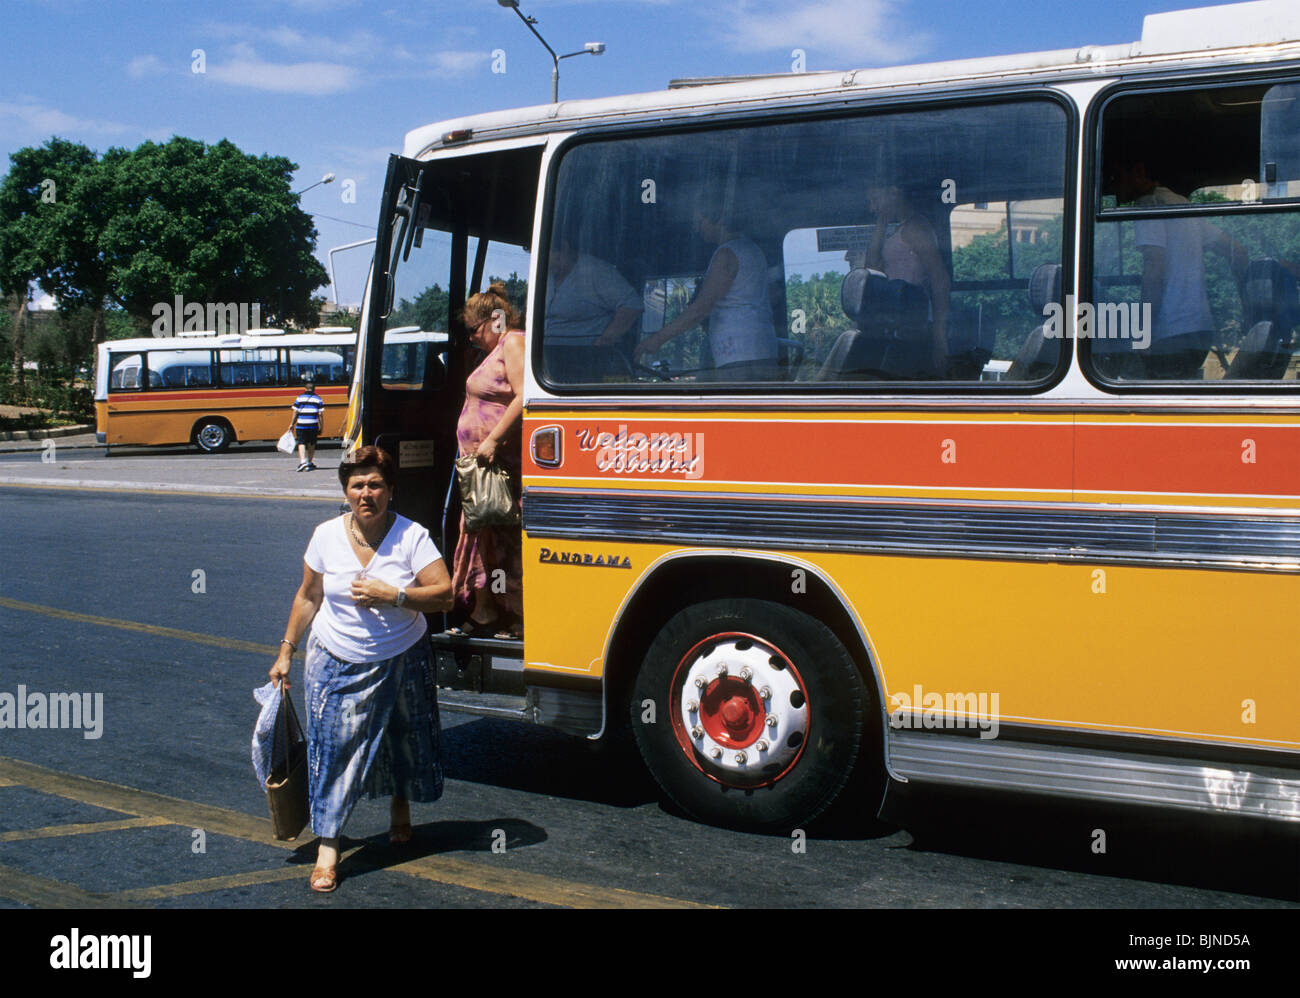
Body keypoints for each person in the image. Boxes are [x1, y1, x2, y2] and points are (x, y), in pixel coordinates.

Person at [269, 445, 453, 892]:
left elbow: (446, 594)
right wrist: (286, 650)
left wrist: (396, 595)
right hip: (336, 657)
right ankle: (329, 845)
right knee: (334, 749)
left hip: (403, 654)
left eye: (375, 484)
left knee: (403, 735)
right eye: (357, 485)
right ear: (346, 491)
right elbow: (308, 595)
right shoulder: (326, 535)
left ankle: (399, 807)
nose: (366, 493)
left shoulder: (412, 537)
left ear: (390, 490)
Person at [1109, 158, 1248, 379]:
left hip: (1171, 333)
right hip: (1201, 330)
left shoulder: (1149, 204)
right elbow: (1237, 251)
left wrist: (1142, 332)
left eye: (1117, 178)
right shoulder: (1183, 204)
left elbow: (1154, 267)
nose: (1115, 186)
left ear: (1139, 170)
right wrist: (1245, 305)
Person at [633, 191, 779, 381]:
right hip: (764, 349)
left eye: (700, 222)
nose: (696, 228)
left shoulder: (726, 254)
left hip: (738, 356)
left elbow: (700, 310)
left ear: (718, 218)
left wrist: (657, 339)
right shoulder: (753, 250)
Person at [448, 282, 524, 638]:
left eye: (473, 329)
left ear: (495, 320)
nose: (472, 338)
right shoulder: (491, 353)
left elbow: (524, 396)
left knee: (499, 539)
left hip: (499, 464)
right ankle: (487, 607)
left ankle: (505, 612)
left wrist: (493, 439)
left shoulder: (513, 342)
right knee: (486, 538)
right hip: (481, 466)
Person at [864, 182, 952, 376]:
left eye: (875, 199)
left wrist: (939, 336)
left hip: (915, 328)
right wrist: (881, 221)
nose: (872, 207)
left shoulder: (915, 229)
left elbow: (940, 279)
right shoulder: (900, 230)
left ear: (894, 192)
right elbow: (871, 267)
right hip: (901, 328)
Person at [543, 234, 643, 383]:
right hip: (543, 359)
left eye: (547, 256)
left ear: (563, 248)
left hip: (586, 361)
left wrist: (605, 340)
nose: (544, 264)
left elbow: (632, 305)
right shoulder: (544, 275)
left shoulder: (596, 272)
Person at [290, 374, 324, 472]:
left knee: (301, 442)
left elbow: (295, 412)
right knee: (311, 443)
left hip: (301, 424)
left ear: (305, 388)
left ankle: (302, 462)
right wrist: (321, 427)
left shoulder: (299, 398)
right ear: (314, 389)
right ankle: (309, 462)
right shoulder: (318, 398)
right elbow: (320, 415)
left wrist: (292, 424)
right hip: (313, 425)